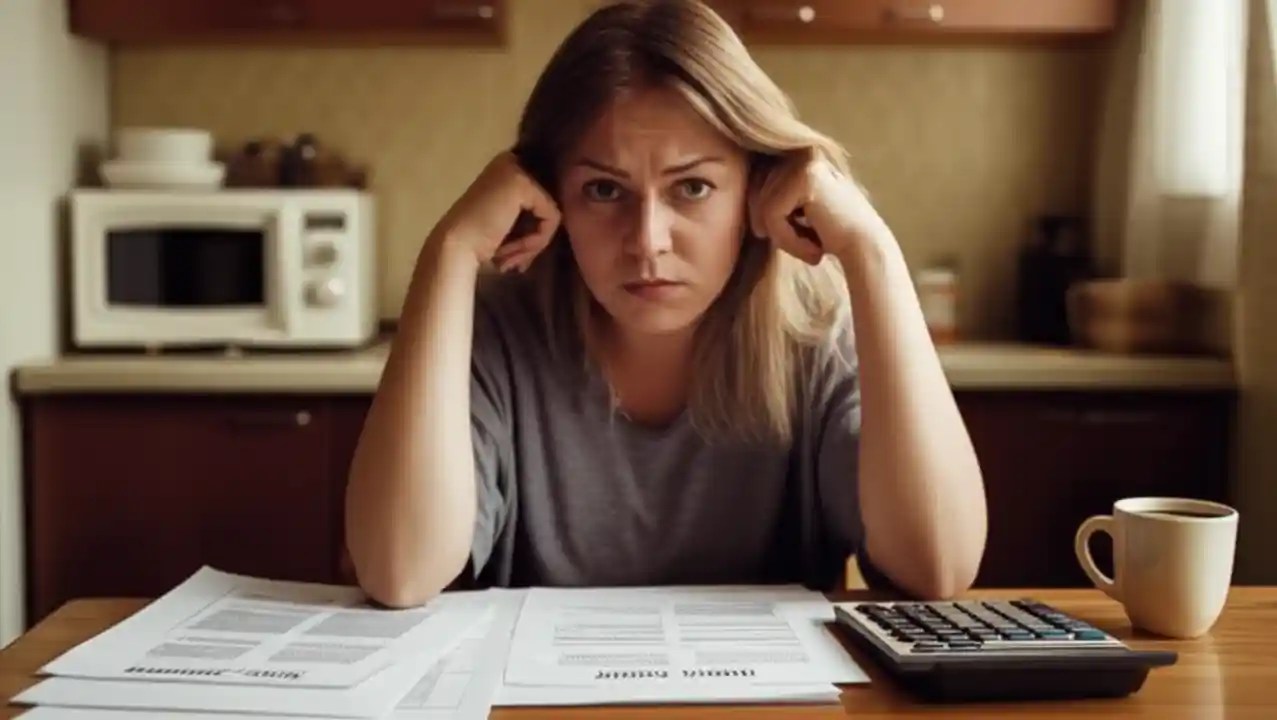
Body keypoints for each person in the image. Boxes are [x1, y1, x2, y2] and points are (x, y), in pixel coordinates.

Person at [344, 0, 987, 608]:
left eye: (693, 187)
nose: (647, 243)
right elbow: (400, 573)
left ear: (758, 188)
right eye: (603, 189)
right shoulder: (499, 328)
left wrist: (872, 250)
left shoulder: (815, 329)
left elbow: (938, 567)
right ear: (548, 197)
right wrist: (449, 251)